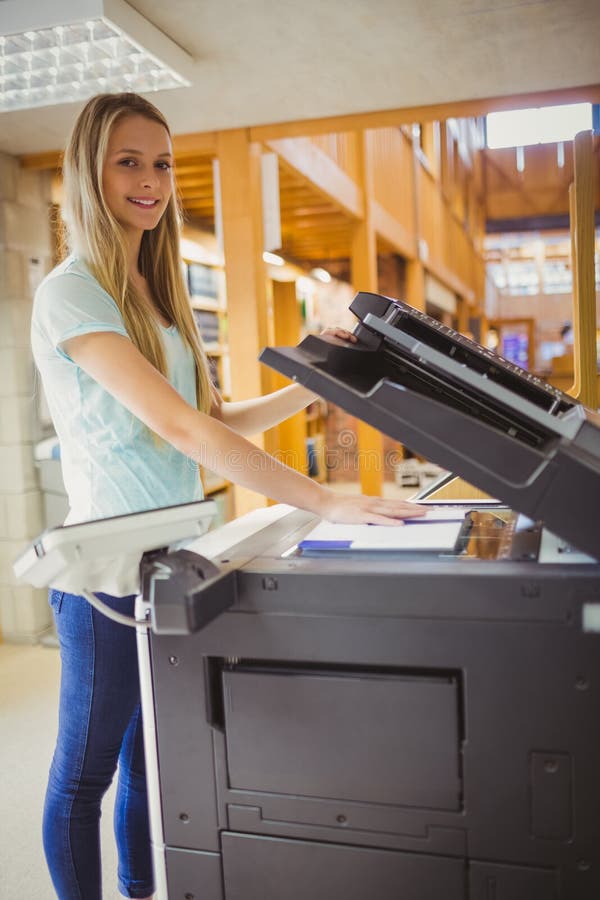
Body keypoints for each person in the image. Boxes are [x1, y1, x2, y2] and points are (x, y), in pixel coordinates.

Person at [31, 92, 424, 900]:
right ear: (88, 172)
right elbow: (182, 431)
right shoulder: (72, 292)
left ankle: (139, 891)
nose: (151, 180)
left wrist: (317, 376)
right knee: (84, 776)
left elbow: (217, 416)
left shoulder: (156, 293)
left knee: (150, 759)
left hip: (168, 562)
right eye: (128, 161)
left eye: (163, 163)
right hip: (104, 574)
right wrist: (327, 499)